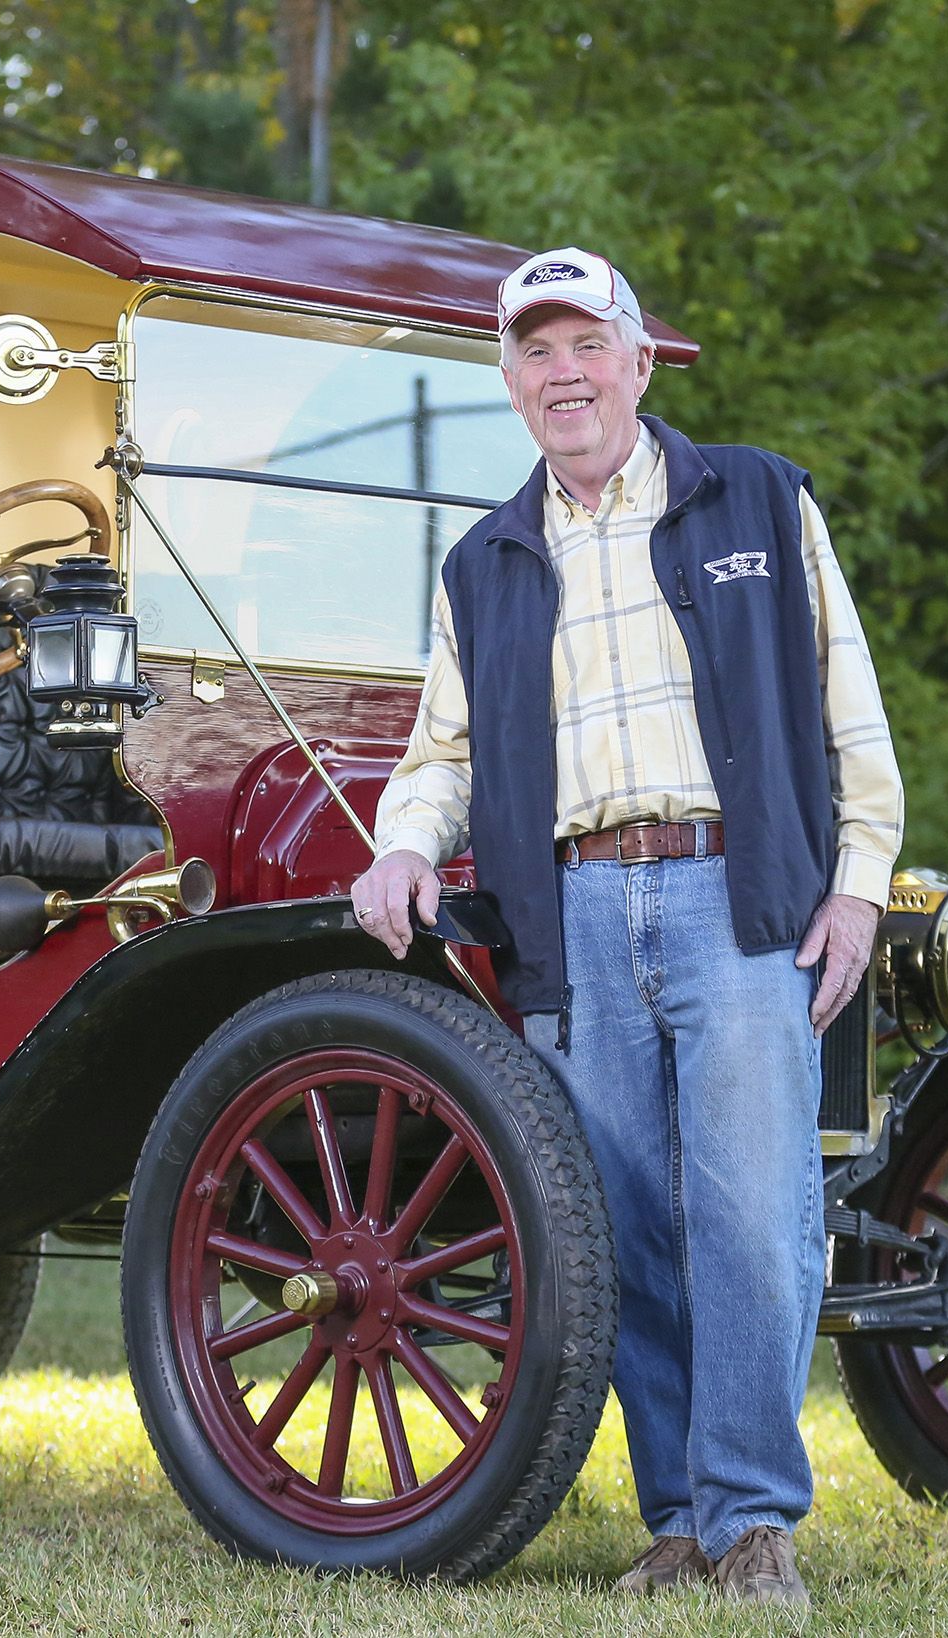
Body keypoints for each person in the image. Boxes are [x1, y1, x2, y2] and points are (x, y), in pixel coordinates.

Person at [349, 247, 903, 1608]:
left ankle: (756, 1518)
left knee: (755, 1219)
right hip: (575, 914)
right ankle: (681, 1518)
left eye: (586, 345)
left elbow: (852, 713)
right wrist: (402, 846)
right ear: (509, 379)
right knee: (627, 1232)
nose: (565, 373)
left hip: (740, 899)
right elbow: (441, 751)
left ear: (640, 362)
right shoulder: (485, 562)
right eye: (536, 351)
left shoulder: (761, 498)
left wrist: (862, 877)